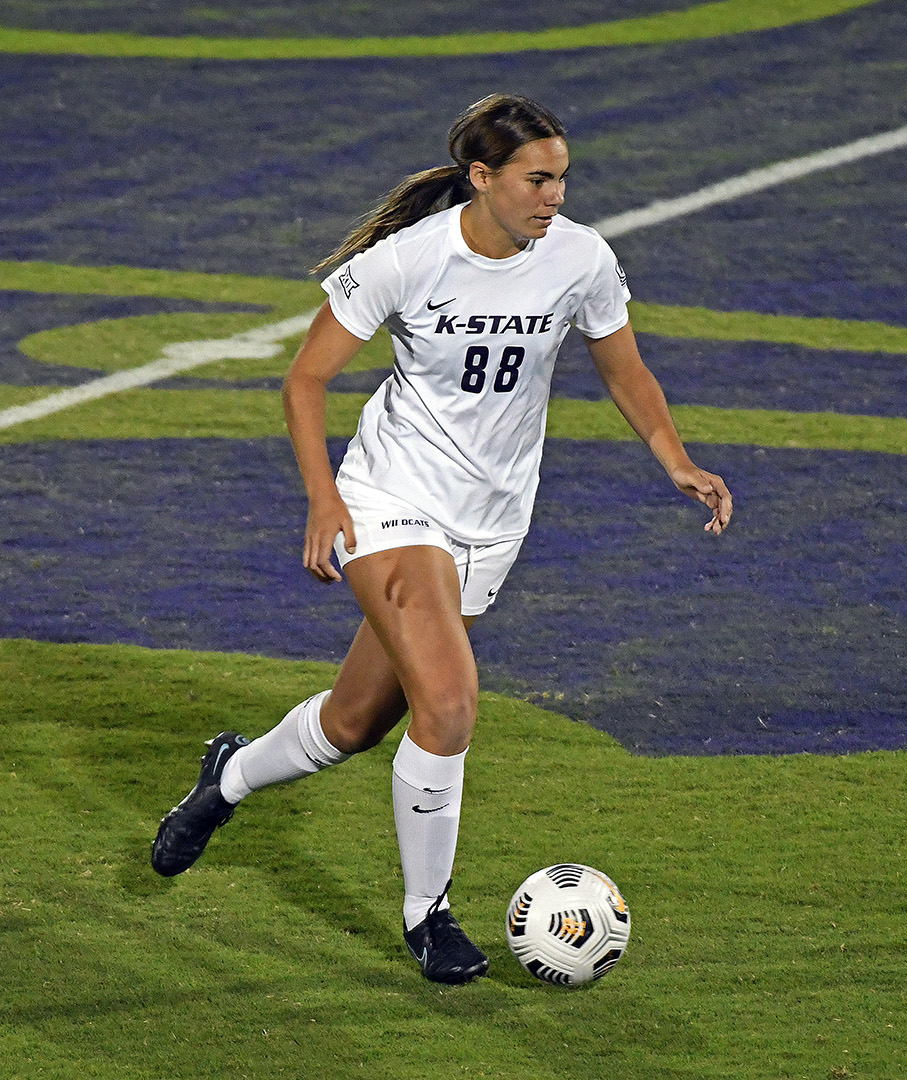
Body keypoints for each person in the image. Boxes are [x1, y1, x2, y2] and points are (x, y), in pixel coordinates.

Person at [150, 94, 731, 983]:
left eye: (562, 178)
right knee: (451, 707)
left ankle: (226, 779)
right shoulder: (409, 260)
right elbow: (305, 381)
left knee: (353, 724)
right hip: (393, 498)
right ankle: (429, 917)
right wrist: (323, 500)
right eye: (537, 179)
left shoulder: (580, 258)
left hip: (493, 521)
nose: (555, 196)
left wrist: (675, 458)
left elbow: (625, 367)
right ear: (483, 177)